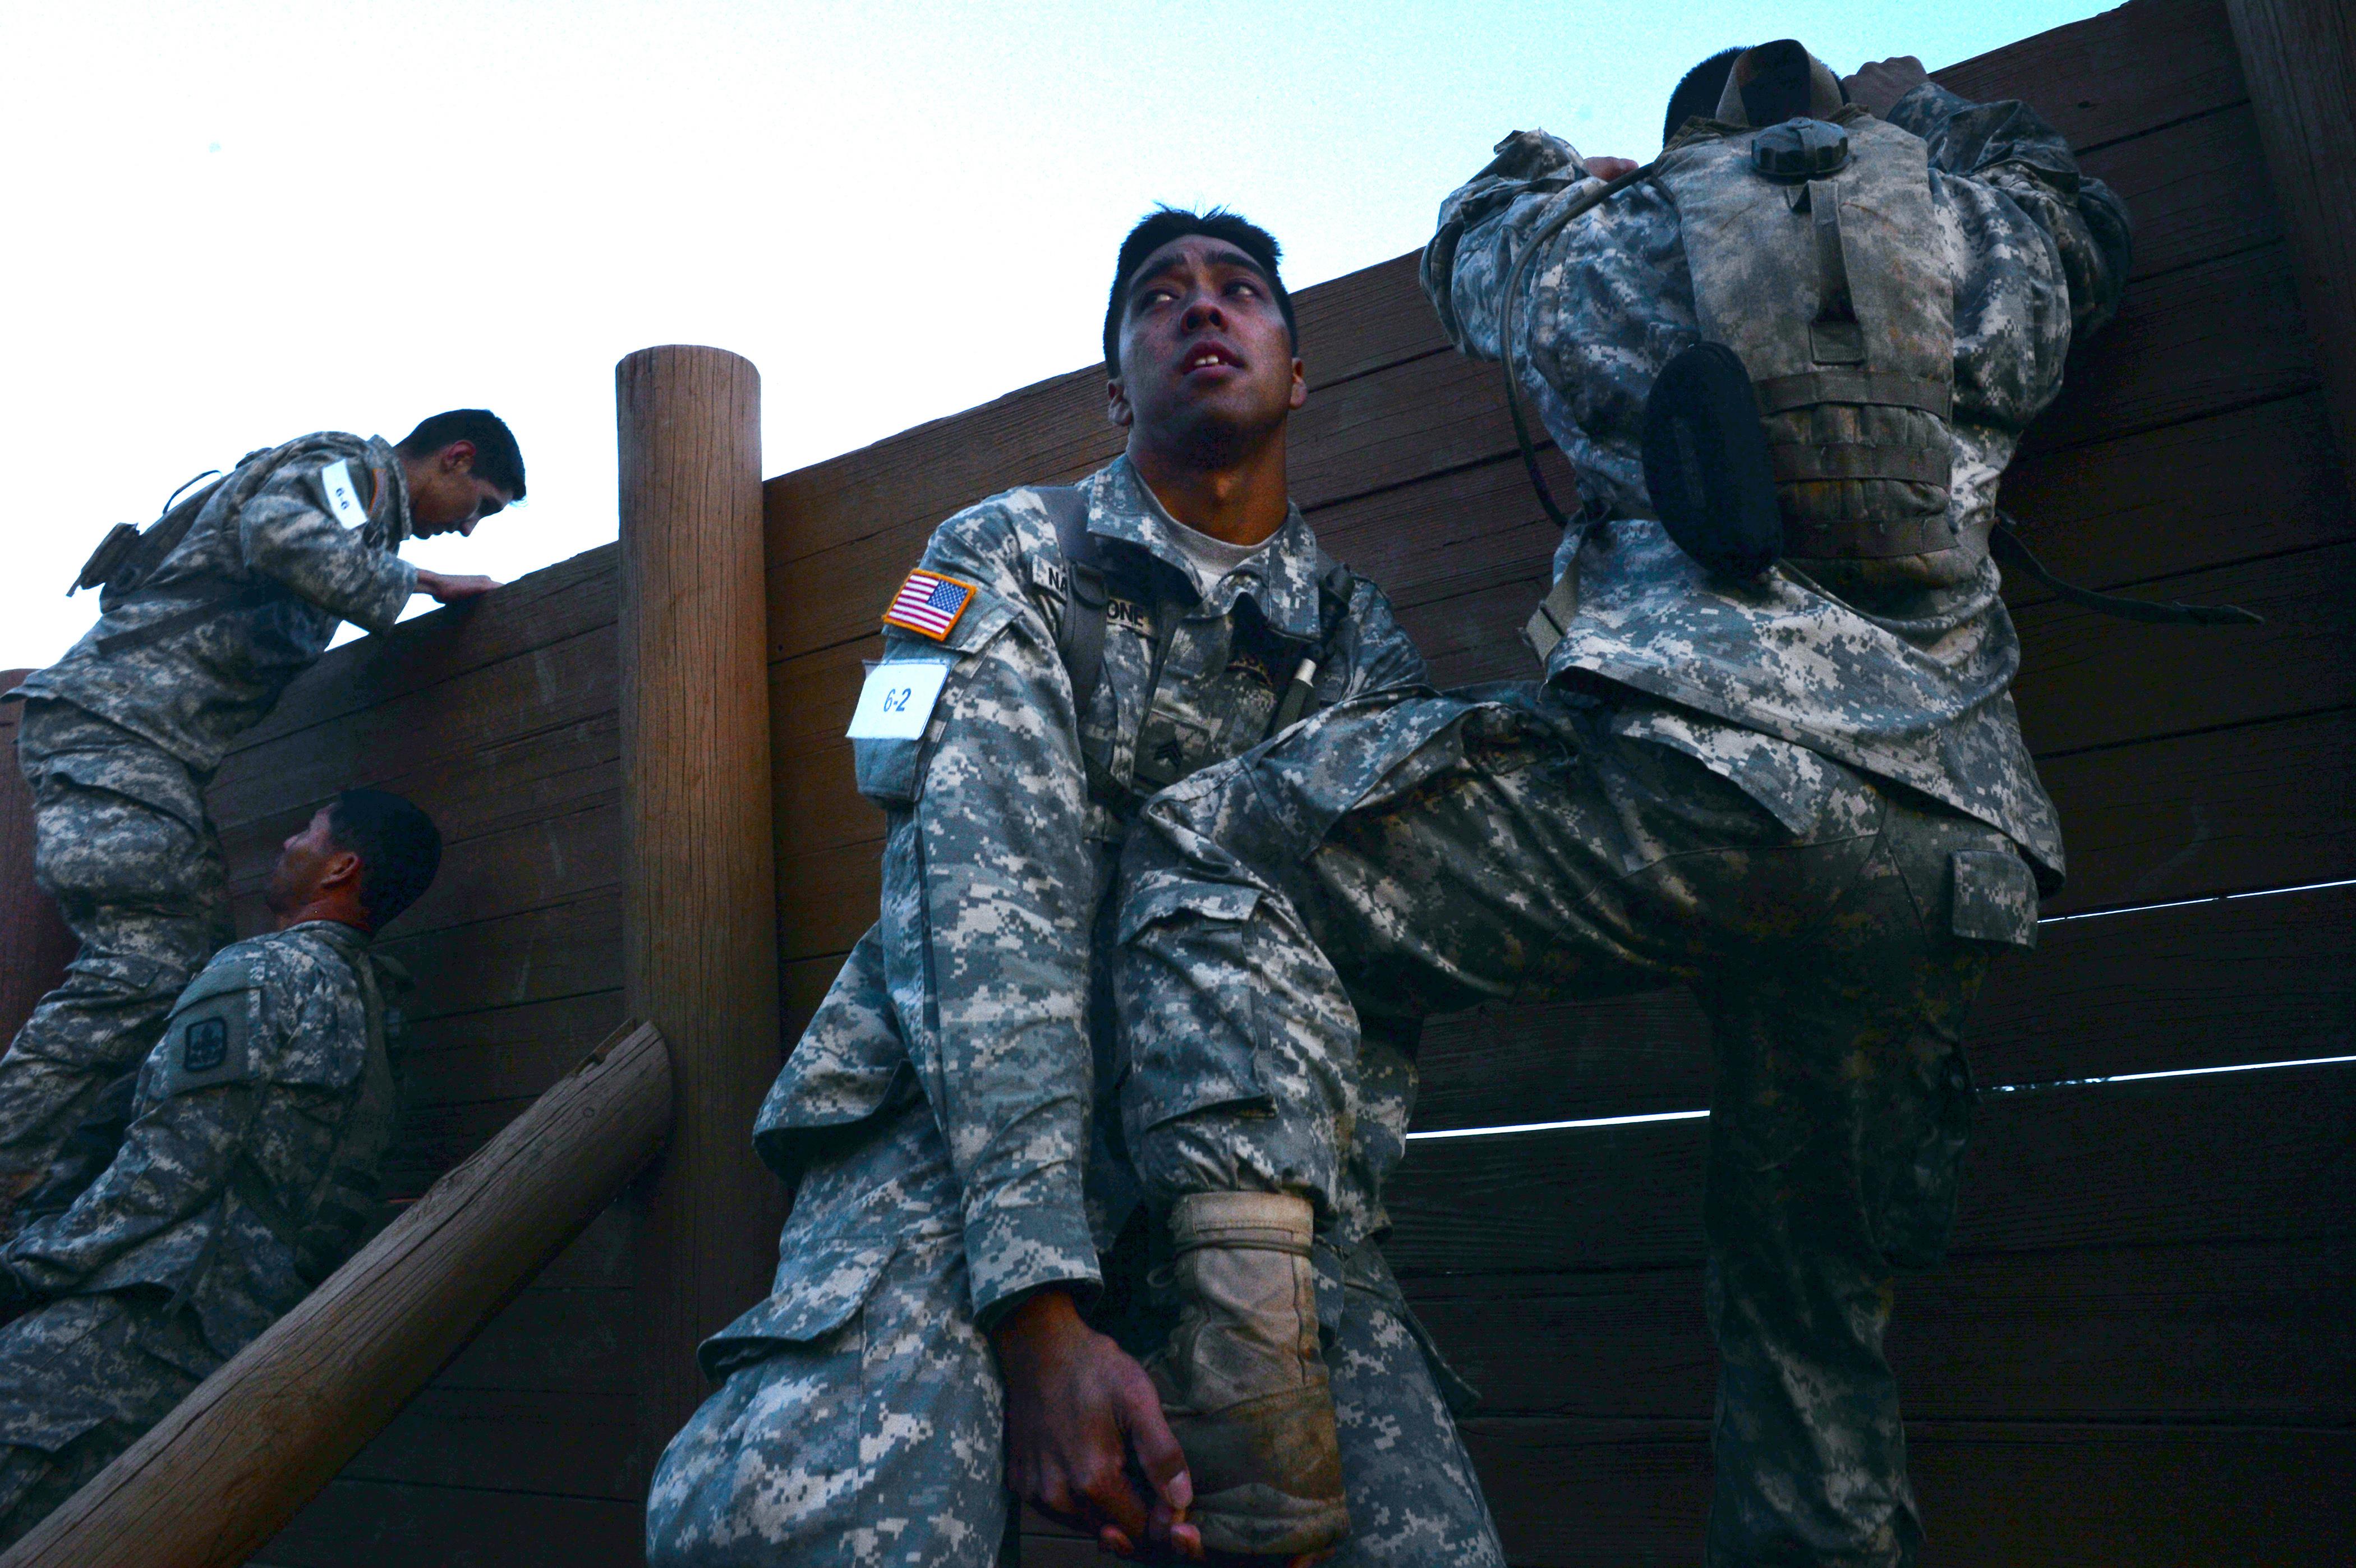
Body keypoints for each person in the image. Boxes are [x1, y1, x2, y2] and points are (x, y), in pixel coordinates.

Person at [1111, 44, 2129, 1568]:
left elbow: (1475, 230)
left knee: (1208, 839)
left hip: (1702, 783)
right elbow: (2080, 207)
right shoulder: (1996, 242)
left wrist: (1568, 174)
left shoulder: (1620, 250)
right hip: (1951, 854)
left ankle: (1253, 1445)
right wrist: (1923, 116)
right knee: (1814, 1328)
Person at [646, 208, 1503, 1567]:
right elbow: (988, 885)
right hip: (955, 1138)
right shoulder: (995, 555)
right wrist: (1038, 1302)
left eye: (1239, 293)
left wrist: (1277, 1204)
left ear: (1298, 370)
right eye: (1160, 296)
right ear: (1115, 383)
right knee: (802, 1514)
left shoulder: (1359, 648)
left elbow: (1368, 965)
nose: (1202, 309)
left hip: (1244, 1158)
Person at [0, 412, 519, 1229]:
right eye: (479, 503)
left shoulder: (365, 514)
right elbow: (281, 532)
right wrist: (419, 585)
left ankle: (53, 1198)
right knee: (145, 966)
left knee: (188, 973)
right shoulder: (357, 474)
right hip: (116, 733)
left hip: (145, 748)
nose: (465, 528)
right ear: (455, 459)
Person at [0, 787, 439, 1547]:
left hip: (128, 1329)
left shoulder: (259, 975)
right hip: (236, 1357)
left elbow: (169, 1166)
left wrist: (29, 1267)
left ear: (341, 867)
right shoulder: (376, 1014)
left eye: (307, 829)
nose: (287, 842)